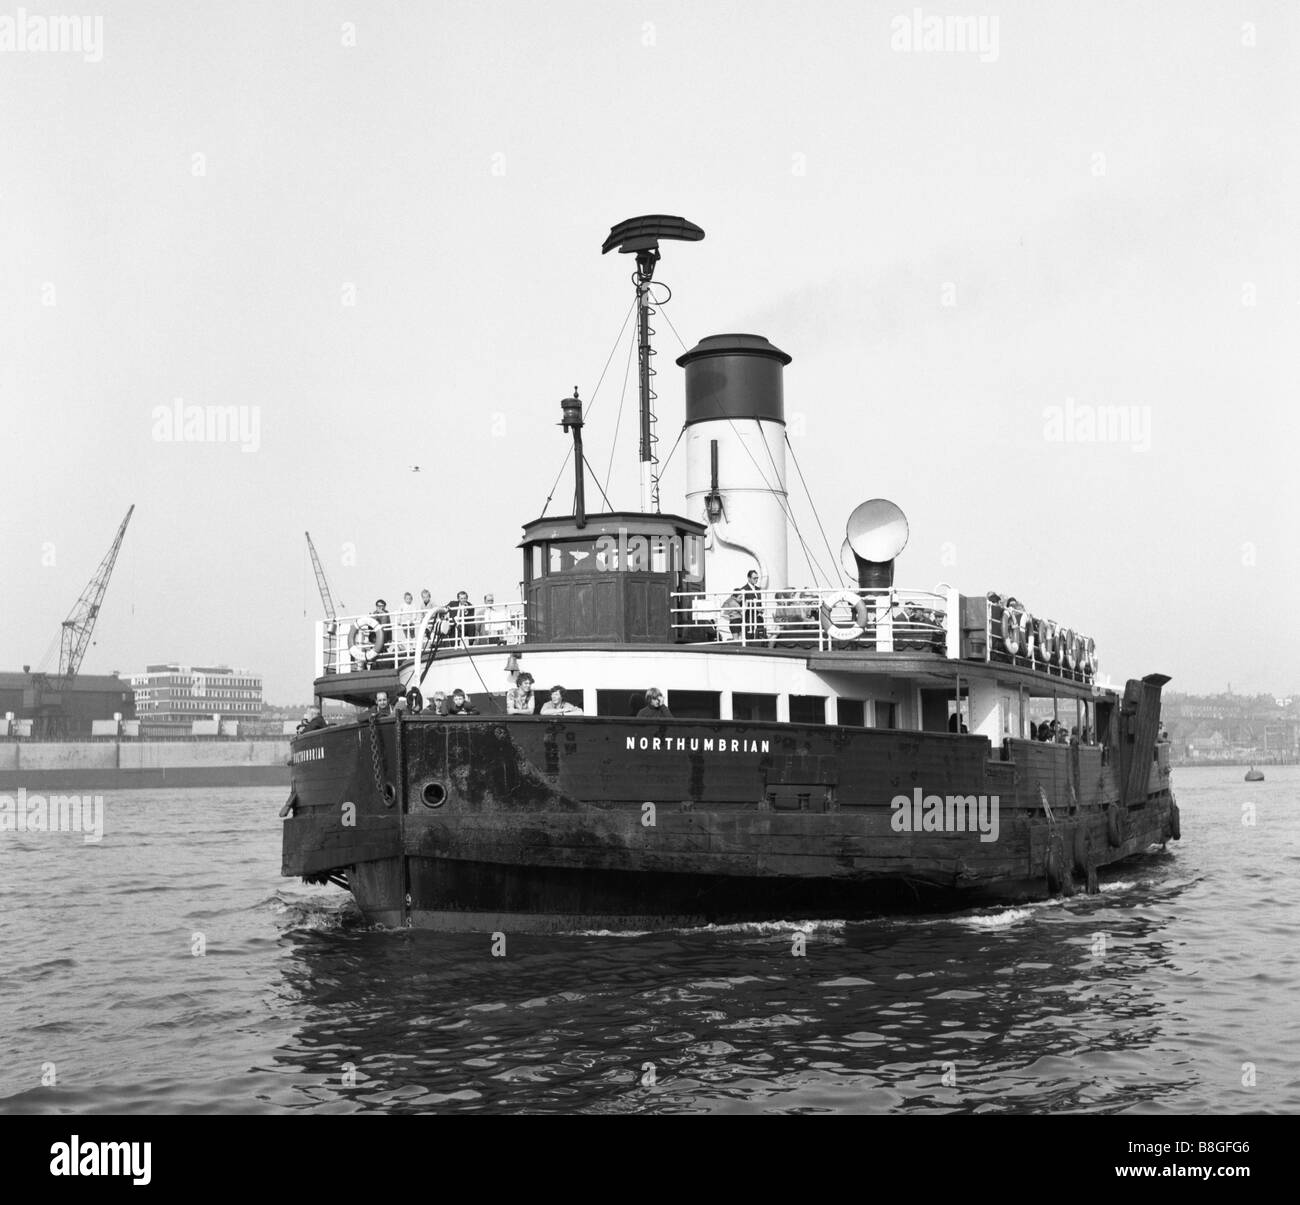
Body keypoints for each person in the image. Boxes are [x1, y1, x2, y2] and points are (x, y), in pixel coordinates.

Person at [739, 569, 762, 641]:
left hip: (758, 617)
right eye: (754, 578)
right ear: (748, 578)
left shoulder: (758, 589)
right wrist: (754, 608)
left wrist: (761, 609)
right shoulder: (743, 590)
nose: (756, 580)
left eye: (757, 578)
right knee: (750, 637)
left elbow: (759, 603)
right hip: (749, 618)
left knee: (760, 636)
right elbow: (742, 605)